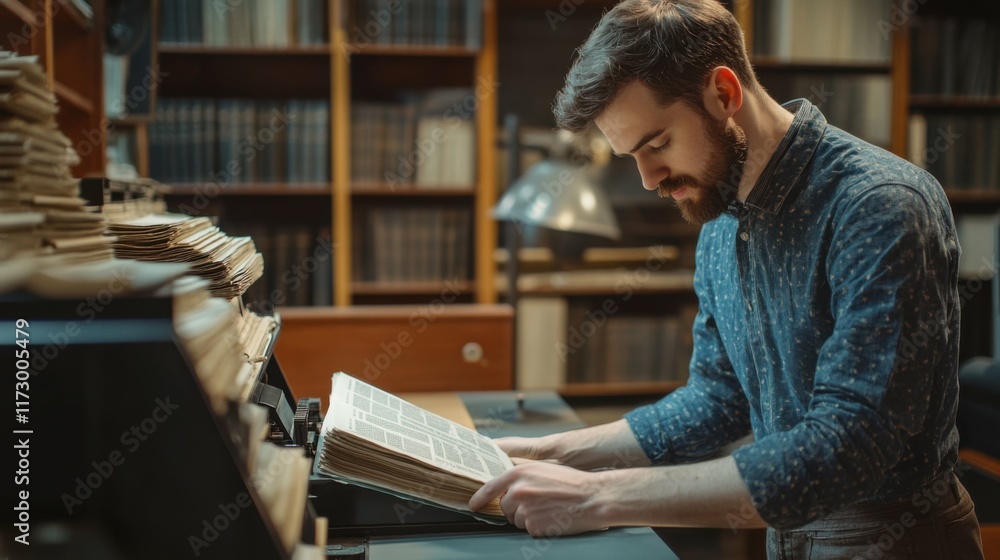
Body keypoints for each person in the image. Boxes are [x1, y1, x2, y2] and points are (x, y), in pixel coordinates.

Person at [469, 1, 985, 557]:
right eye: (631, 157)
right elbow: (718, 400)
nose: (648, 180)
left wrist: (596, 496)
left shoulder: (879, 206)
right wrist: (556, 454)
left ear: (723, 93)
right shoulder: (719, 221)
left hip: (894, 539)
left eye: (657, 144)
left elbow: (849, 447)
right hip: (784, 535)